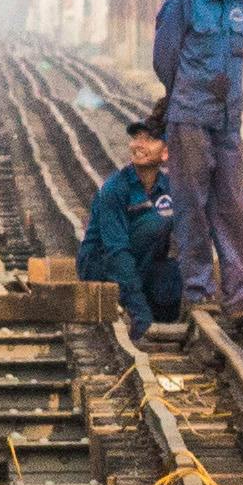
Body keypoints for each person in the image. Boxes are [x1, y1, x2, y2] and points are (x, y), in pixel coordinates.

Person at [152, 0, 243, 310]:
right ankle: (198, 289)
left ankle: (240, 290)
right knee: (191, 204)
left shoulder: (239, 2)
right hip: (191, 116)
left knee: (231, 203)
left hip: (228, 120)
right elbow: (164, 60)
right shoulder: (181, 2)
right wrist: (184, 96)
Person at [78, 117, 184, 336]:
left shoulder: (167, 187)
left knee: (173, 275)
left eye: (149, 139)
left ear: (165, 153)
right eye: (136, 138)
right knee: (153, 223)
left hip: (141, 262)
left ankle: (151, 307)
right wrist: (138, 309)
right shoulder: (115, 188)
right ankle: (132, 306)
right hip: (100, 264)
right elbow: (116, 251)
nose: (139, 145)